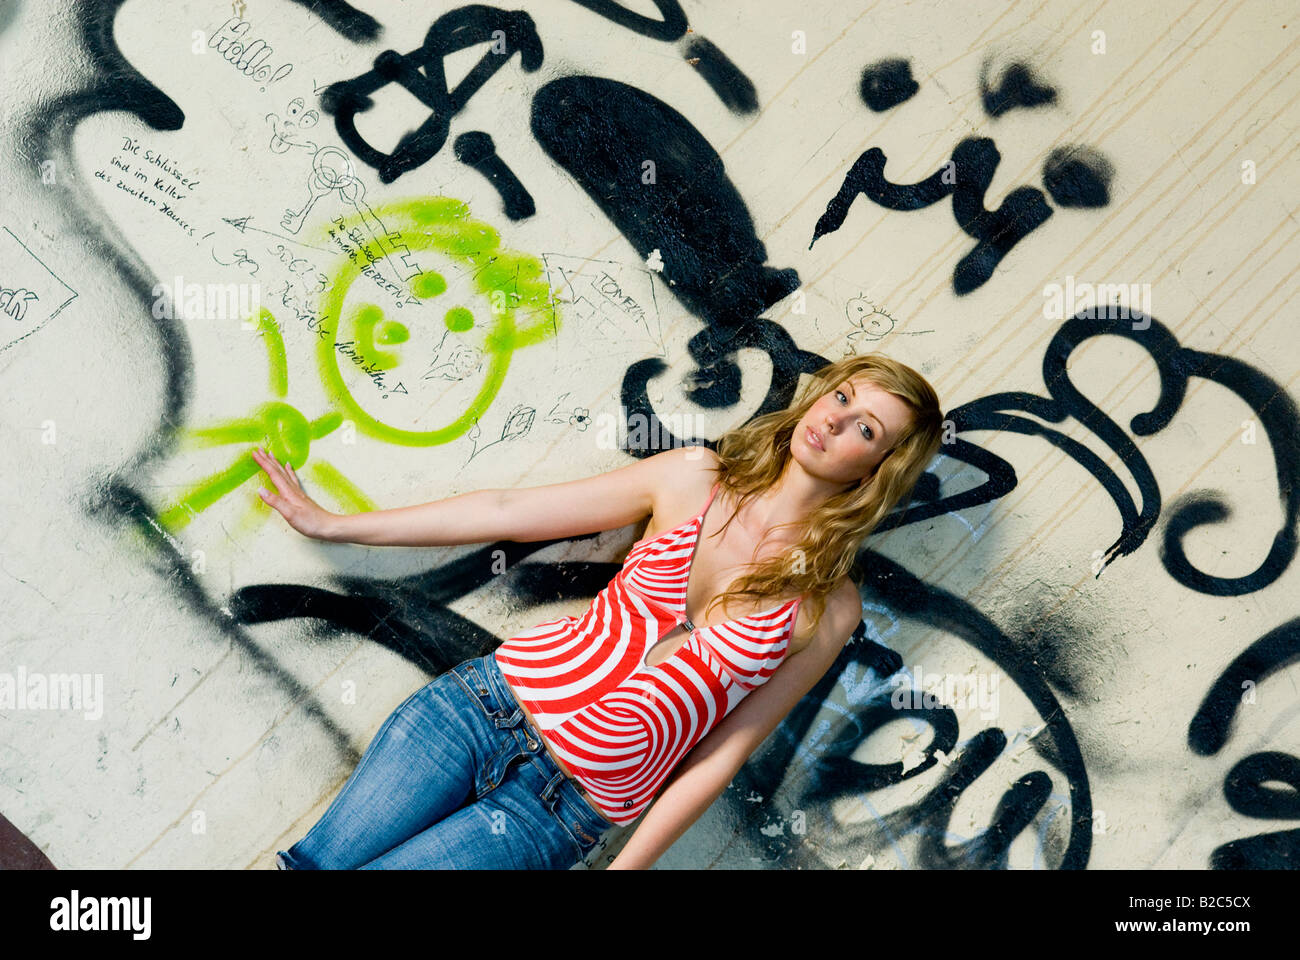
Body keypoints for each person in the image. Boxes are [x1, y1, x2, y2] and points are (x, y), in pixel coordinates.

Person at [264, 351, 943, 869]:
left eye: (864, 426)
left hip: (556, 814)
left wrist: (629, 866)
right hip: (479, 713)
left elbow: (721, 756)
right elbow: (506, 511)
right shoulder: (694, 476)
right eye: (843, 395)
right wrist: (334, 526)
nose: (833, 418)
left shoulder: (827, 607)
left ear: (876, 468)